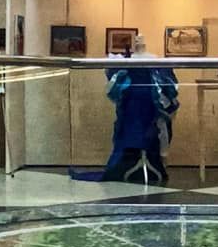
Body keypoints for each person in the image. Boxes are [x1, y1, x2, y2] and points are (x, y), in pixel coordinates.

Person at [72, 35, 179, 184]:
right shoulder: (138, 60)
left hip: (145, 104)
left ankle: (148, 163)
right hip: (135, 104)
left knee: (151, 129)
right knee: (142, 129)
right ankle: (144, 164)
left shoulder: (148, 60)